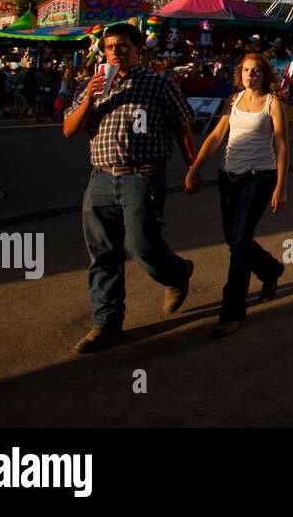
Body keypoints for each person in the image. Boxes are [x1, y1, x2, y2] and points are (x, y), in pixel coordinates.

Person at [63, 23, 198, 355]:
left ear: (138, 49)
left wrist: (193, 169)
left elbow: (183, 128)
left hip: (143, 177)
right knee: (103, 254)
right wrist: (91, 98)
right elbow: (69, 130)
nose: (114, 52)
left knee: (142, 246)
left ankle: (176, 272)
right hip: (101, 177)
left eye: (122, 46)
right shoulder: (91, 87)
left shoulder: (159, 84)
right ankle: (106, 323)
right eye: (109, 47)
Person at [185, 53, 289, 338]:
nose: (250, 75)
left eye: (255, 71)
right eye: (245, 70)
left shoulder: (273, 102)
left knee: (240, 242)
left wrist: (281, 186)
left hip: (259, 177)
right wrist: (195, 168)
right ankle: (270, 269)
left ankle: (232, 312)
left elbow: (281, 145)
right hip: (229, 176)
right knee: (233, 239)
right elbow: (217, 136)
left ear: (265, 74)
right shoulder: (233, 101)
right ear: (239, 73)